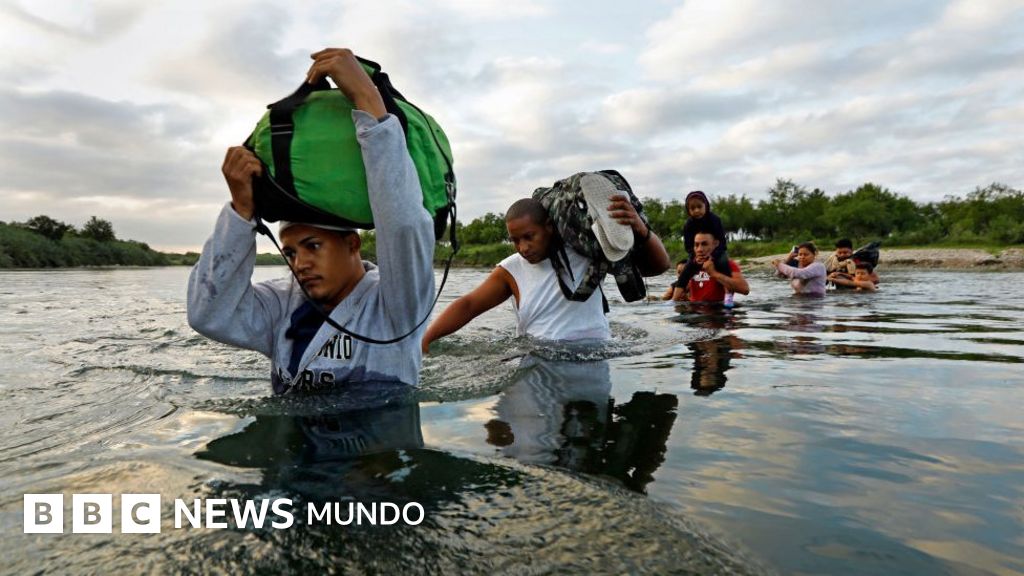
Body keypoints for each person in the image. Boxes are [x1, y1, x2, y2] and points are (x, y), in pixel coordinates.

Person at [188, 48, 435, 394]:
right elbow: (207, 315)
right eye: (289, 253)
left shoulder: (397, 305)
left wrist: (367, 99)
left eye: (312, 246)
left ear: (352, 243)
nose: (300, 264)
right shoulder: (280, 307)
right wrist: (241, 210)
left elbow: (403, 224)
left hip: (380, 446)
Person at [421, 196, 670, 350]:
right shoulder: (511, 269)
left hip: (595, 359)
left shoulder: (588, 254)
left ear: (548, 227)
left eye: (529, 237)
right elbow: (469, 305)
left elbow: (658, 267)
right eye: (515, 240)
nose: (523, 248)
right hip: (539, 362)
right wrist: (425, 340)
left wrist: (640, 228)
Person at [675, 191, 735, 306]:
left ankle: (728, 300)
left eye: (699, 207)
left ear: (706, 206)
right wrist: (696, 257)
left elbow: (722, 243)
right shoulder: (688, 224)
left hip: (716, 252)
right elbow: (688, 246)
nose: (696, 210)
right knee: (685, 272)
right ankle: (674, 300)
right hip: (697, 254)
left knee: (724, 267)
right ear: (688, 211)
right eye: (692, 208)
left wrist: (712, 257)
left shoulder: (715, 220)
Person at [680, 231, 750, 303]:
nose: (699, 249)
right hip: (694, 311)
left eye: (704, 244)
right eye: (696, 245)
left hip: (717, 311)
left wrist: (714, 273)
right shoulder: (690, 266)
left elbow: (744, 289)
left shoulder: (726, 264)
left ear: (715, 244)